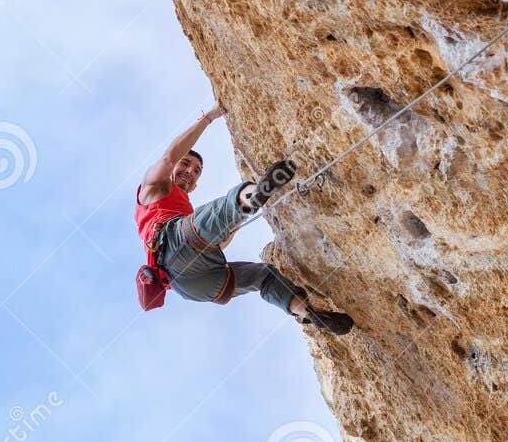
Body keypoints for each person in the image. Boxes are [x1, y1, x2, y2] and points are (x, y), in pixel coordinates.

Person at [135, 104, 353, 333]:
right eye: (186, 164)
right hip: (172, 248)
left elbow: (219, 242)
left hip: (194, 287)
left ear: (196, 184)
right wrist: (208, 117)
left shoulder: (185, 211)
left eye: (197, 170)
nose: (190, 171)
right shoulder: (153, 188)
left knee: (263, 275)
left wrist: (236, 220)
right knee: (221, 208)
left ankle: (307, 312)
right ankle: (253, 193)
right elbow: (170, 157)